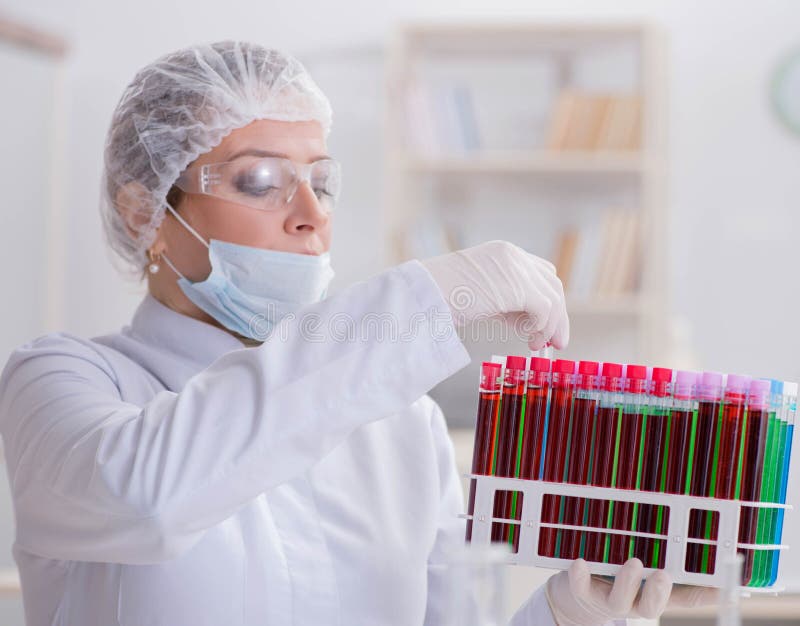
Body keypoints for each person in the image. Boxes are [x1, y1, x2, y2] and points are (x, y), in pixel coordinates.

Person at [0, 41, 706, 625]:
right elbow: (148, 498)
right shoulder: (63, 383)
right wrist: (430, 299)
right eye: (260, 181)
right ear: (142, 212)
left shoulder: (402, 426)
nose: (310, 213)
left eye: (322, 181)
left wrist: (563, 616)